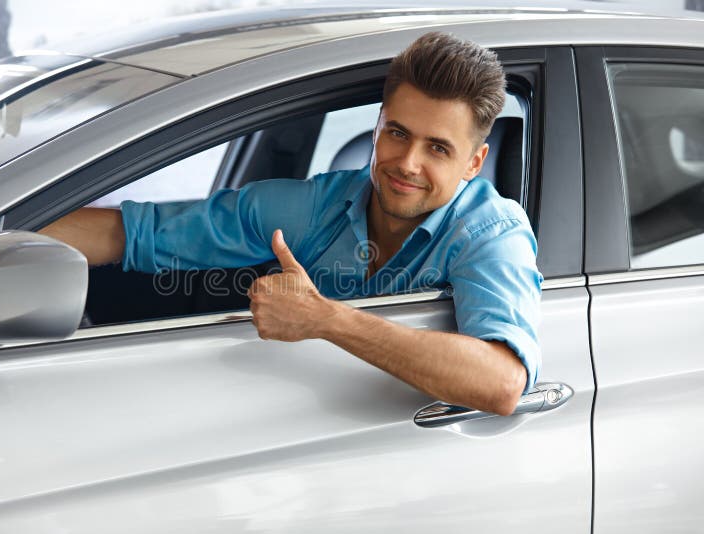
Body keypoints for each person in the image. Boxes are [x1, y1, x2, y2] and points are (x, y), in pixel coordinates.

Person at [41, 32, 542, 416]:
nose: (407, 163)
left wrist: (325, 319)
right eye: (397, 133)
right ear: (378, 127)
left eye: (437, 148)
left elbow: (501, 383)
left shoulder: (491, 233)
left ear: (474, 163)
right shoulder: (318, 205)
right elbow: (132, 233)